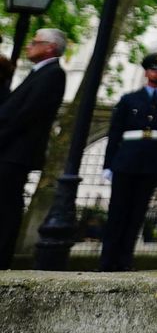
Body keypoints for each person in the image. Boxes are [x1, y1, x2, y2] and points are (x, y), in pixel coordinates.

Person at [99, 50, 157, 271]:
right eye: (154, 68)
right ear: (146, 72)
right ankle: (107, 261)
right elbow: (115, 134)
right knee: (117, 212)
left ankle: (125, 260)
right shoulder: (129, 100)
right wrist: (108, 165)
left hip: (151, 162)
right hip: (126, 160)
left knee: (137, 213)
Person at [0, 29, 68, 268]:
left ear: (50, 47)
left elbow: (26, 114)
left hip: (15, 152)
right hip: (10, 150)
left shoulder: (53, 74)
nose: (29, 46)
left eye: (35, 42)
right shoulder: (39, 72)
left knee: (6, 206)